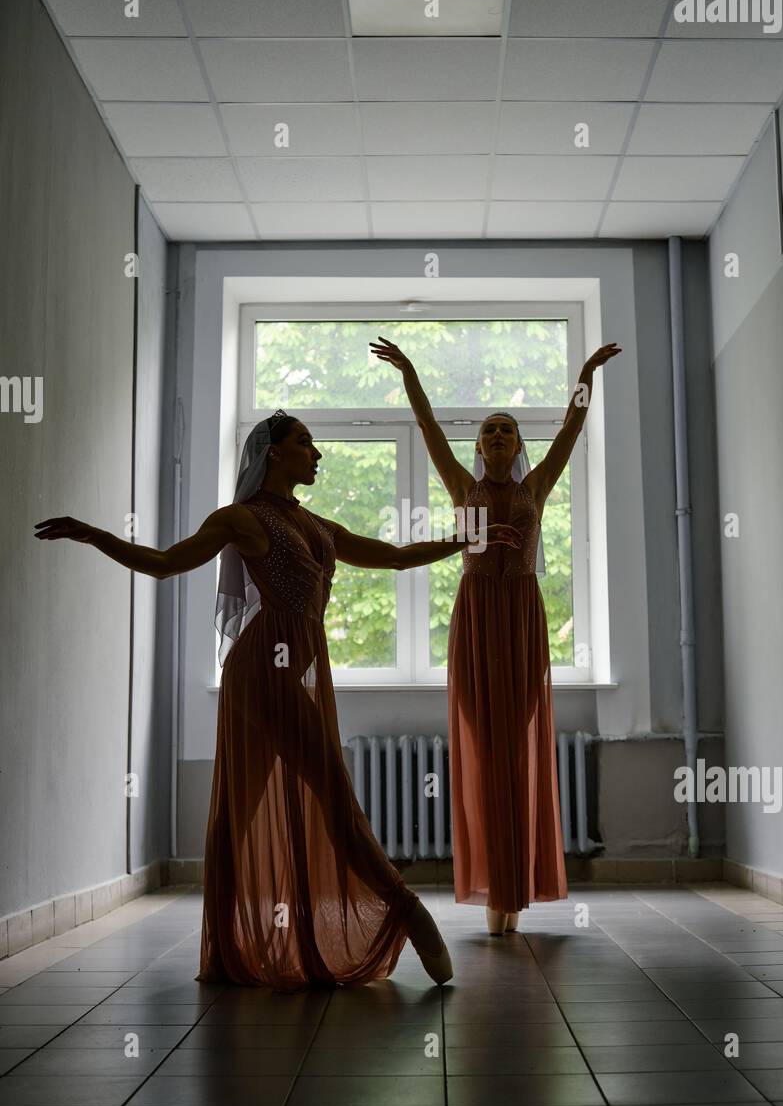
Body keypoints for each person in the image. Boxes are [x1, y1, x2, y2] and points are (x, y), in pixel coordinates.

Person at [33, 410, 521, 989]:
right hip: (259, 675)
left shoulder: (315, 524)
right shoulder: (240, 518)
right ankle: (408, 913)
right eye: (305, 443)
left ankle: (226, 954)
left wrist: (470, 538)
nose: (316, 454)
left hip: (280, 679)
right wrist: (96, 536)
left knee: (248, 816)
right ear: (273, 453)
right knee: (319, 801)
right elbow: (165, 564)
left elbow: (392, 555)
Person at [371, 337, 620, 935]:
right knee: (486, 754)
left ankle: (512, 892)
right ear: (479, 447)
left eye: (507, 429)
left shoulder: (535, 490)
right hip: (479, 620)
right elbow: (427, 426)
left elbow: (569, 431)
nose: (499, 436)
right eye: (489, 431)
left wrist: (585, 374)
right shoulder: (464, 488)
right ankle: (496, 893)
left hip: (523, 618)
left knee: (516, 752)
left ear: (517, 443)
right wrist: (410, 374)